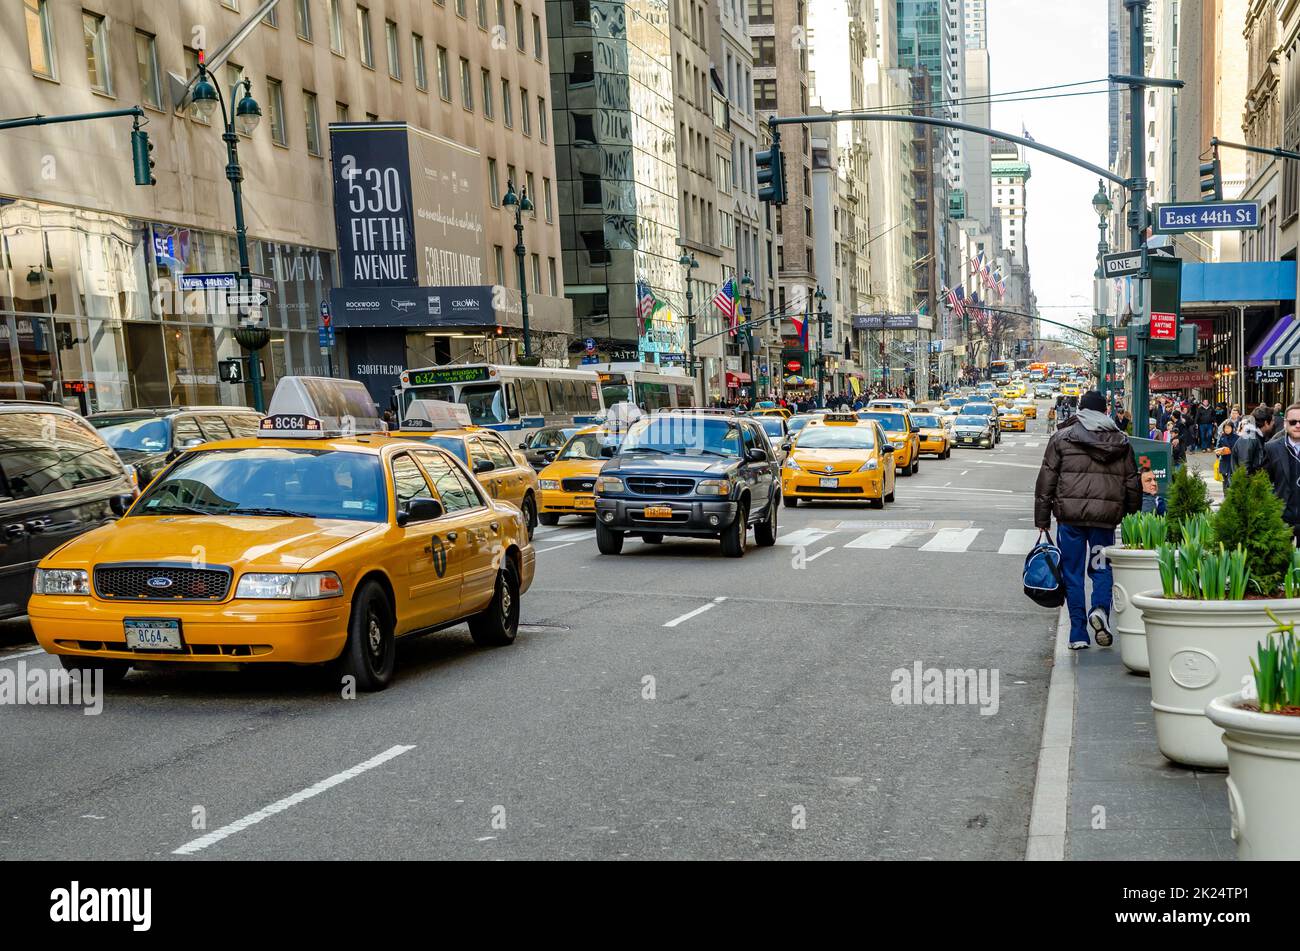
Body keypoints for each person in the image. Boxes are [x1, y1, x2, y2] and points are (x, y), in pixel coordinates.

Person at [1036, 390, 1142, 649]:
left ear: (1080, 410)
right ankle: (1100, 610)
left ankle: (1078, 633)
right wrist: (1131, 516)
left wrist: (1042, 519)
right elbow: (1132, 482)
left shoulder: (1062, 438)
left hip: (1070, 519)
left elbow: (1046, 480)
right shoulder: (1121, 441)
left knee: (1072, 573)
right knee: (1101, 567)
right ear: (1105, 410)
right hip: (1104, 522)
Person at [1263, 403, 1300, 545]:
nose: (1297, 425)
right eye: (1293, 422)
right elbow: (1263, 482)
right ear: (1285, 423)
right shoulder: (1272, 448)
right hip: (1282, 519)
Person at [1233, 405, 1276, 476]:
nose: (1274, 423)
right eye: (1272, 421)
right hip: (1245, 485)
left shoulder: (1256, 437)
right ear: (1266, 423)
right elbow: (1244, 471)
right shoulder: (1249, 438)